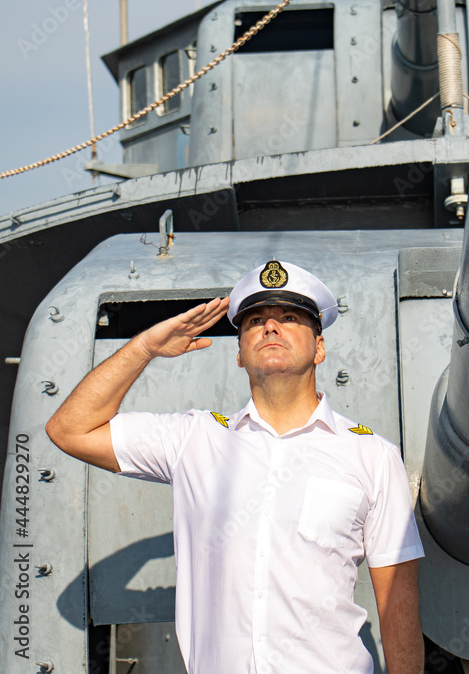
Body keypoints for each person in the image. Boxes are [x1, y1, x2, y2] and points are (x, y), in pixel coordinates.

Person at [46, 259, 425, 674]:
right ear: (240, 354)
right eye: (256, 320)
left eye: (290, 317)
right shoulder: (194, 440)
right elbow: (70, 430)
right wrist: (145, 348)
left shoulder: (371, 455)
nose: (271, 327)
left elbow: (397, 605)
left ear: (319, 347)